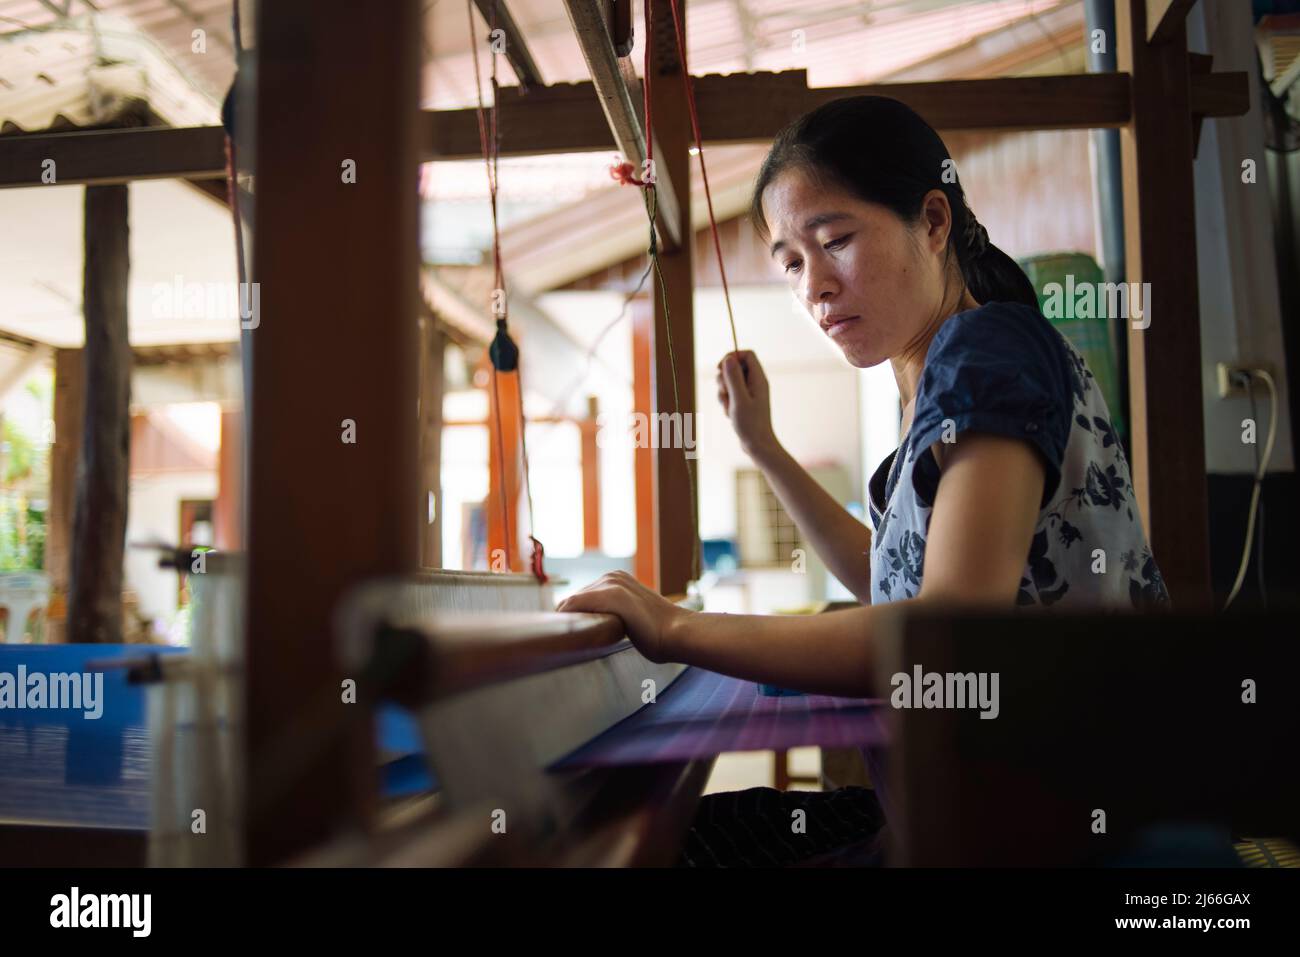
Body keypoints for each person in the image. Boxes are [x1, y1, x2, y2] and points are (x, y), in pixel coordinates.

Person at [557, 95, 1169, 865]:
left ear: (933, 221)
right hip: (963, 820)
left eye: (835, 240)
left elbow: (945, 630)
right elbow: (895, 581)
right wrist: (767, 448)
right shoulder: (942, 384)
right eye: (789, 263)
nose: (813, 285)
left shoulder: (989, 352)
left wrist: (673, 627)